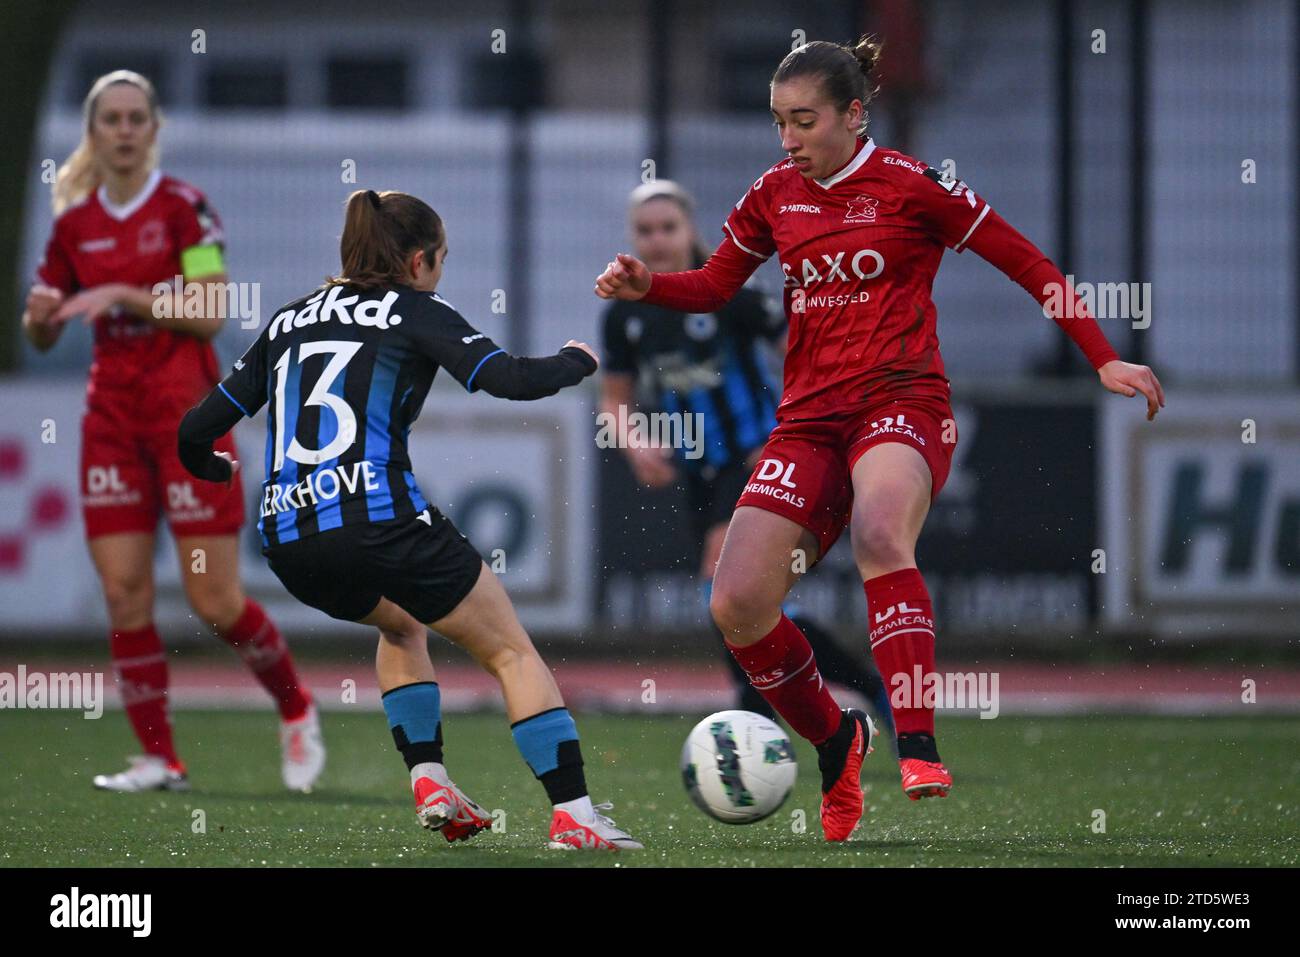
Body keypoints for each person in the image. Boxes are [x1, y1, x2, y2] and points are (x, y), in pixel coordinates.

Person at [595, 37, 1164, 842]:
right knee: (735, 600)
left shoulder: (910, 185)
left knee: (879, 530)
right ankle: (837, 740)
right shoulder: (774, 193)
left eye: (804, 120)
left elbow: (1025, 260)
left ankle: (920, 741)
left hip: (902, 403)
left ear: (854, 114)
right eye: (777, 121)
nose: (787, 138)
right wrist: (650, 284)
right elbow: (718, 282)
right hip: (808, 422)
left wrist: (1103, 356)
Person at [178, 188, 642, 851]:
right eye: (442, 260)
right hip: (379, 518)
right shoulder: (414, 309)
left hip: (286, 537)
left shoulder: (289, 320)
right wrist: (579, 362)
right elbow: (507, 378)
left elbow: (195, 429)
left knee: (398, 621)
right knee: (510, 649)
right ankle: (575, 815)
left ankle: (430, 779)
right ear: (420, 260)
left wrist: (212, 466)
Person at [22, 70, 323, 793]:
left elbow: (212, 310)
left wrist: (127, 294)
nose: (124, 131)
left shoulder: (186, 210)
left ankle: (296, 704)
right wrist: (38, 317)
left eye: (136, 119)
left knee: (214, 602)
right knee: (124, 592)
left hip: (190, 420)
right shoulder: (72, 227)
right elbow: (42, 333)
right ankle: (162, 758)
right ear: (93, 134)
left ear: (153, 130)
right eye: (110, 120)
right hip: (112, 421)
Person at [598, 179, 895, 741]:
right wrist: (635, 442)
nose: (657, 240)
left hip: (759, 457)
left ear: (690, 230)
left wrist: (800, 429)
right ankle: (863, 684)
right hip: (699, 473)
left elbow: (805, 357)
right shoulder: (625, 313)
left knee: (720, 575)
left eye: (668, 228)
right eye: (645, 231)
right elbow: (614, 399)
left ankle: (752, 710)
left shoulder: (729, 293)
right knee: (741, 604)